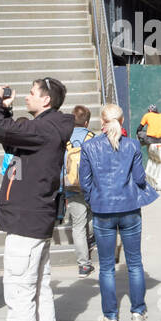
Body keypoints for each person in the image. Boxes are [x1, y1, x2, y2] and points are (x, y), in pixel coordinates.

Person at [0, 77, 74, 321]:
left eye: (32, 93)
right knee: (41, 294)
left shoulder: (43, 129)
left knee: (20, 300)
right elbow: (11, 139)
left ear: (46, 100)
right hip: (35, 222)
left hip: (26, 225)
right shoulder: (44, 129)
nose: (26, 97)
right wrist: (8, 115)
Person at [79, 104, 158, 321]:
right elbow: (141, 179)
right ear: (122, 121)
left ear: (102, 122)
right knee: (134, 262)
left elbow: (84, 182)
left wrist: (95, 198)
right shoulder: (132, 145)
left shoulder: (89, 147)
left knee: (105, 267)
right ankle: (137, 312)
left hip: (103, 209)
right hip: (130, 208)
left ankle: (111, 316)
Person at [63, 105, 96, 277]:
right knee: (91, 214)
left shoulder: (65, 139)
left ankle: (83, 265)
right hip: (90, 184)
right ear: (87, 122)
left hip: (71, 186)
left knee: (77, 225)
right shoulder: (92, 137)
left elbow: (62, 166)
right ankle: (91, 238)